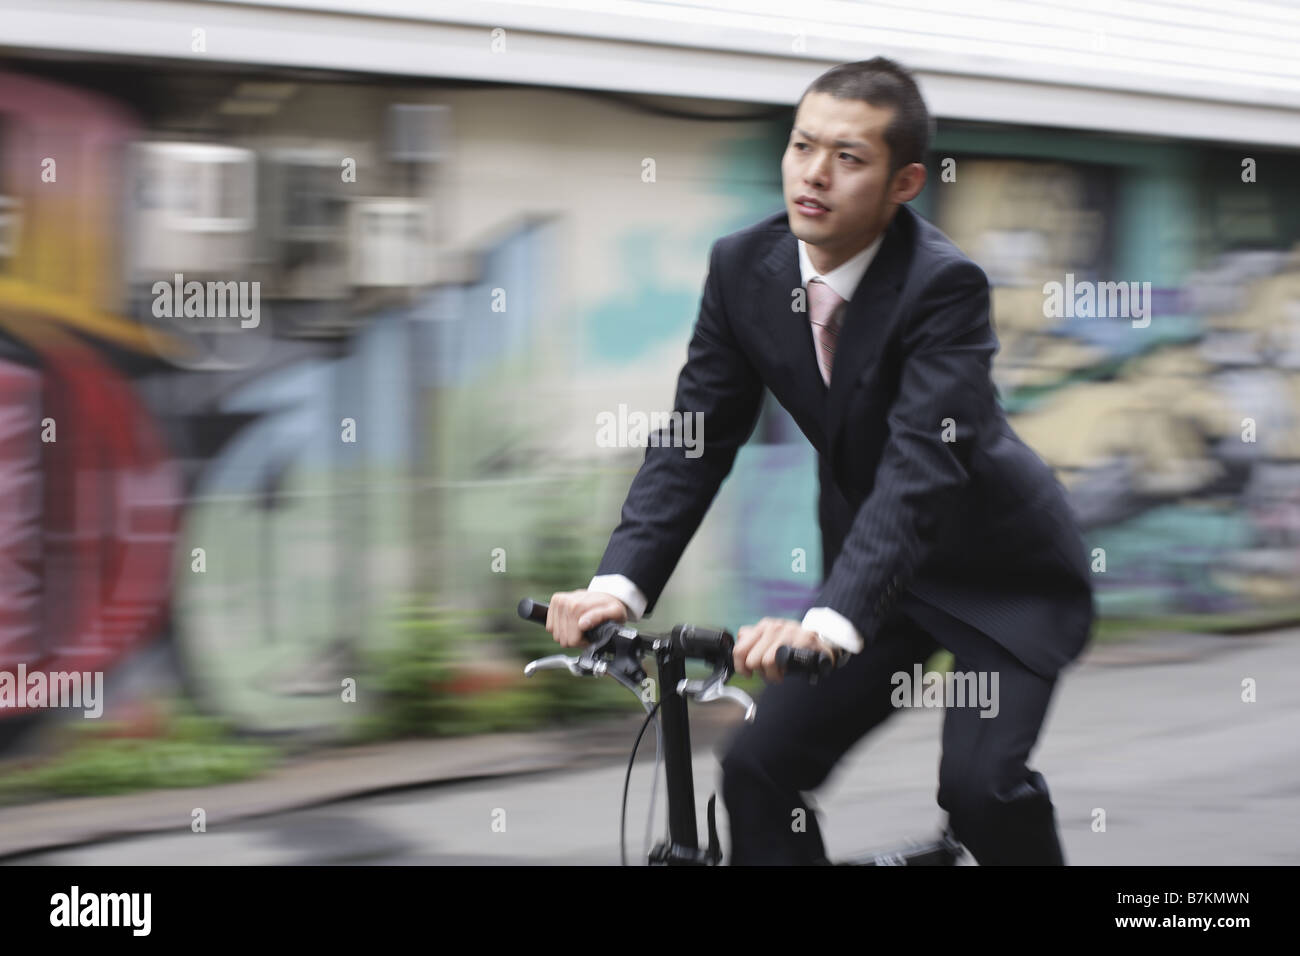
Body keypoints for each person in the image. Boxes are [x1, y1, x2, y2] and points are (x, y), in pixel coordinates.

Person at [546, 57, 1095, 865]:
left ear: (905, 182)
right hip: (877, 584)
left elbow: (921, 469)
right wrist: (614, 585)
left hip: (999, 579)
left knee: (981, 794)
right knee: (756, 770)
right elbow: (696, 438)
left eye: (849, 157)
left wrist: (829, 621)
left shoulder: (944, 287)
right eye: (803, 146)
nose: (815, 174)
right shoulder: (743, 270)